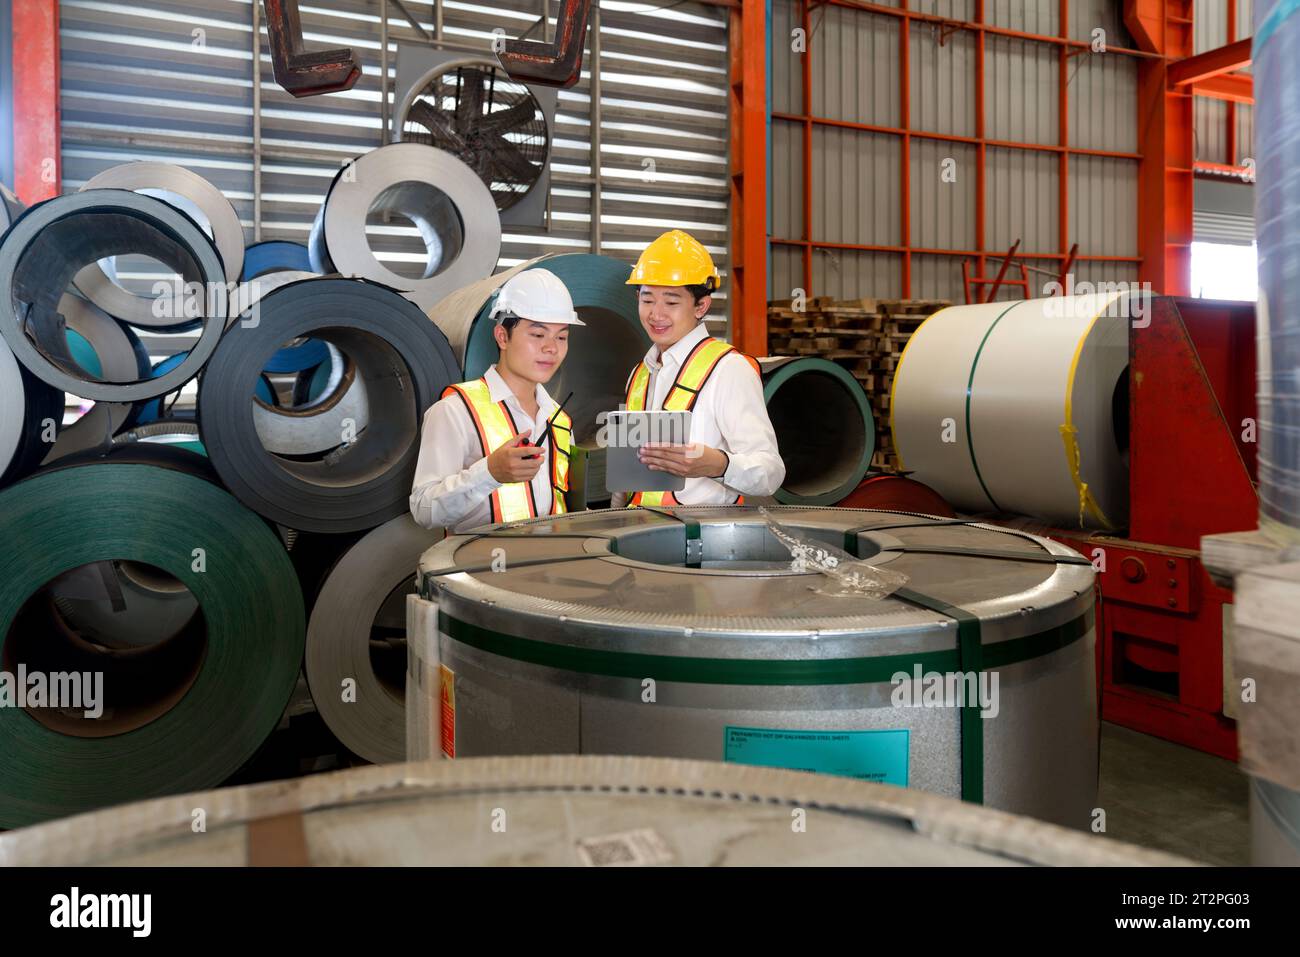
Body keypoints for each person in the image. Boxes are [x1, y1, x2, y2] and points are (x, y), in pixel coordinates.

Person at [410, 269, 583, 532]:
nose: (552, 348)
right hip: (480, 569)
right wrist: (489, 473)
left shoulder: (559, 420)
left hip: (548, 568)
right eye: (538, 335)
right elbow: (424, 511)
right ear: (502, 336)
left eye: (561, 336)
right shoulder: (455, 411)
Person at [619, 229, 784, 506]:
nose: (656, 314)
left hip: (702, 539)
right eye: (647, 299)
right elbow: (629, 475)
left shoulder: (728, 370)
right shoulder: (639, 374)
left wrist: (717, 465)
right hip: (636, 535)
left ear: (701, 306)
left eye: (671, 302)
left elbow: (771, 472)